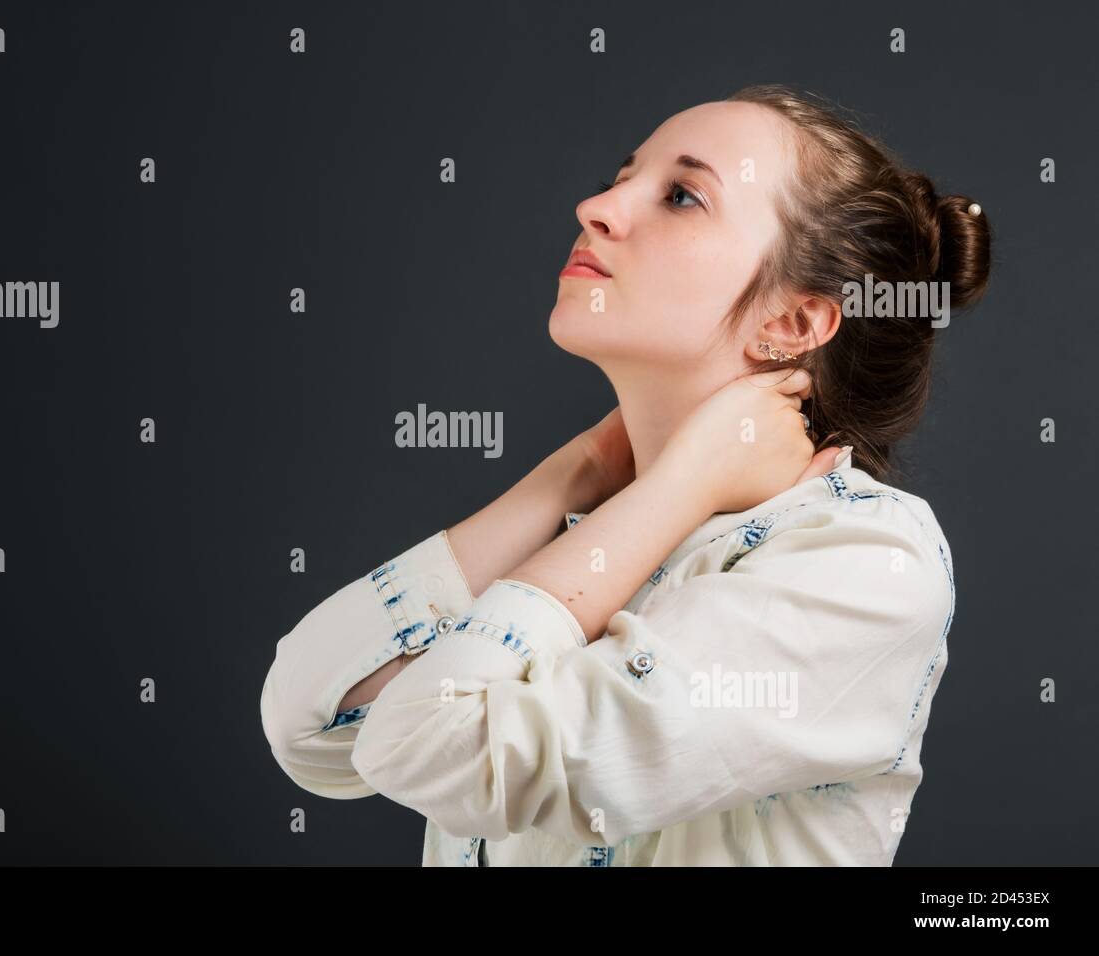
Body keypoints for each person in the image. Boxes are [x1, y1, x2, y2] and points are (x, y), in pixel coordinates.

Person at [260, 83, 991, 866]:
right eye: (623, 174)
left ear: (792, 322)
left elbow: (431, 746)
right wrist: (578, 473)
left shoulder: (860, 563)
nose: (596, 206)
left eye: (682, 195)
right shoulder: (594, 531)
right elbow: (310, 728)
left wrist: (677, 489)